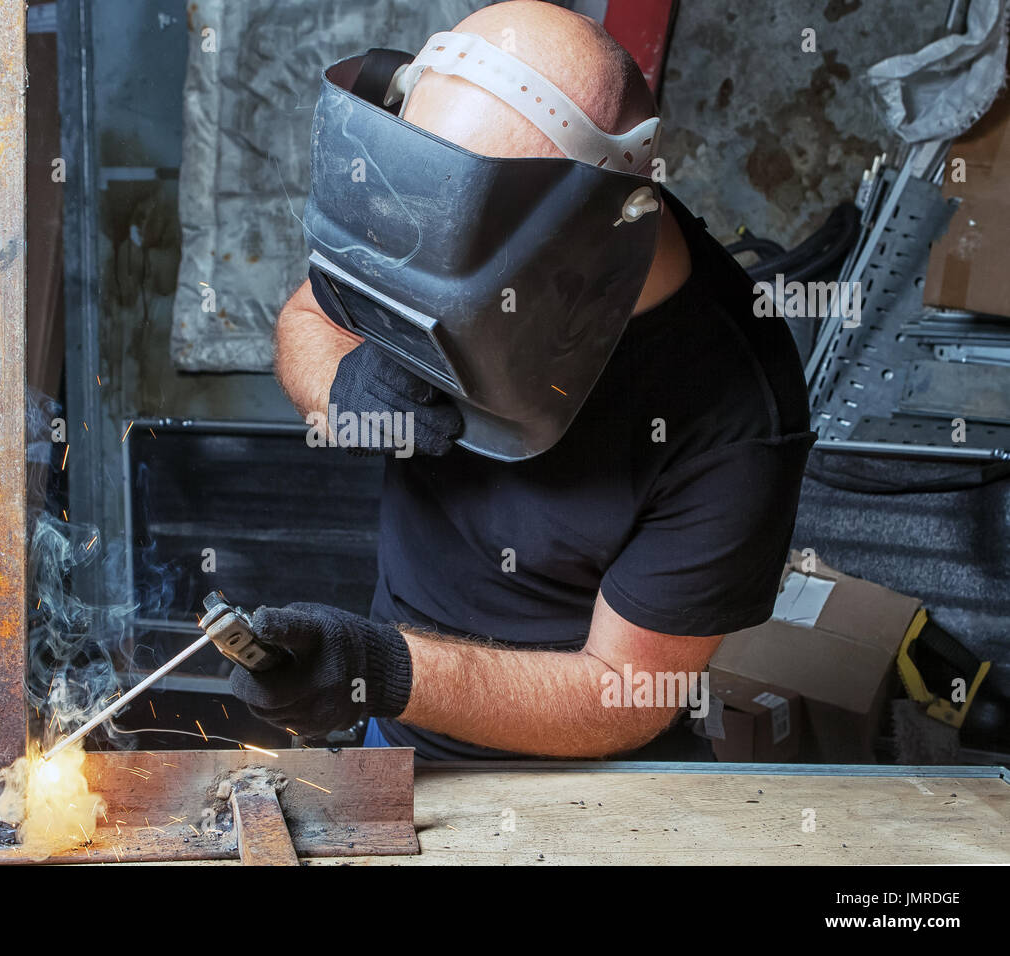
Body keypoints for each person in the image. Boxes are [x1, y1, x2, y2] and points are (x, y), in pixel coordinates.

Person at [230, 1, 814, 759]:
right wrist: (342, 389)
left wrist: (385, 667)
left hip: (585, 789)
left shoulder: (738, 414)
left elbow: (623, 696)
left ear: (586, 230)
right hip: (392, 726)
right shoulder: (431, 219)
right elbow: (309, 319)